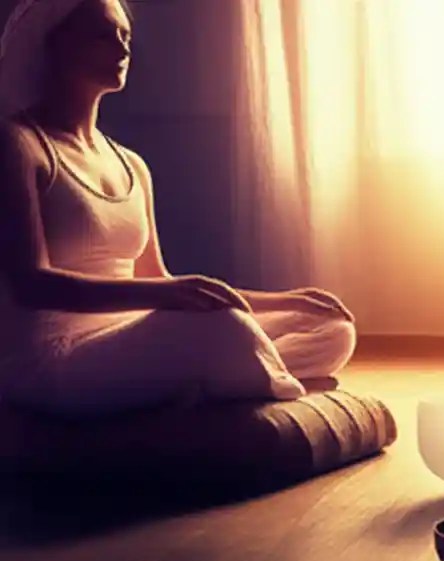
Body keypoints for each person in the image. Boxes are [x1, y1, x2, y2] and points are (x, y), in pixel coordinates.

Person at [0, 0, 357, 417]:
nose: (122, 48)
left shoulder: (131, 163)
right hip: (53, 358)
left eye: (125, 36)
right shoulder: (18, 143)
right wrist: (167, 295)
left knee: (331, 328)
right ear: (54, 45)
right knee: (226, 330)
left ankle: (206, 383)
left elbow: (164, 281)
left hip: (133, 336)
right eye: (103, 35)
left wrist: (287, 301)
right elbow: (31, 284)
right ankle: (226, 379)